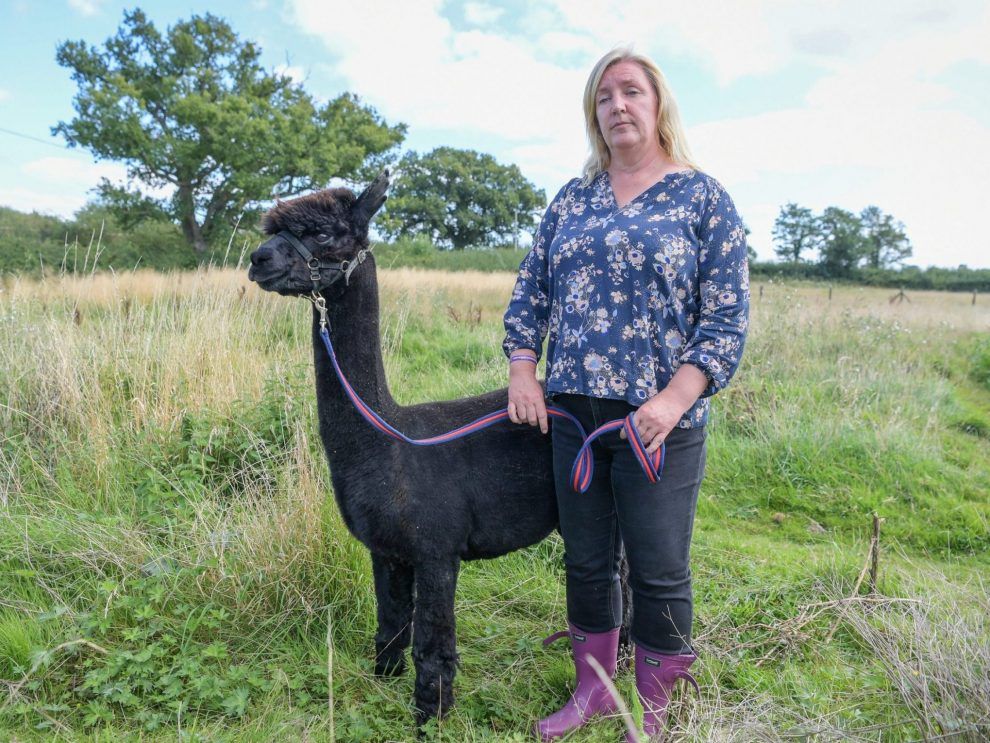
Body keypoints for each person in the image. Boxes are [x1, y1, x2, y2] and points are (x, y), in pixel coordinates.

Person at [502, 47, 749, 742]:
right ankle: (597, 690)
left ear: (659, 103)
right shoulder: (573, 199)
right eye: (604, 96)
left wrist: (675, 398)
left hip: (658, 420)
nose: (618, 105)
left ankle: (659, 707)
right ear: (594, 114)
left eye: (631, 91)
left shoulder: (703, 198)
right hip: (573, 411)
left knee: (659, 563)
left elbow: (726, 316)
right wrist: (524, 367)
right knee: (585, 556)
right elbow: (532, 290)